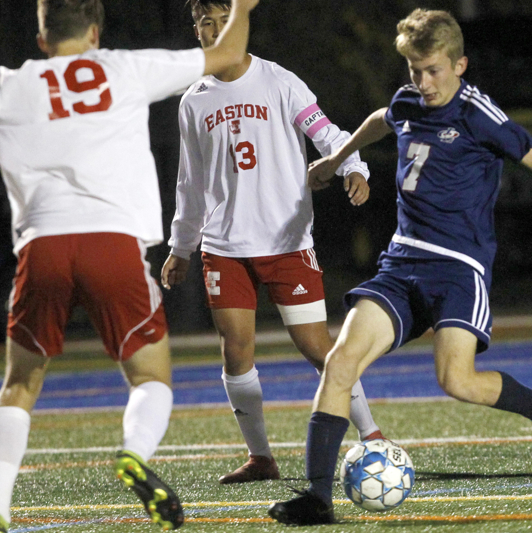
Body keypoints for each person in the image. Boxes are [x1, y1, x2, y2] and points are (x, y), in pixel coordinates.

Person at [268, 8, 532, 526]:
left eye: (433, 71)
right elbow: (383, 119)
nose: (423, 83)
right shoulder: (410, 100)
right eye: (415, 71)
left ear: (460, 65)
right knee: (340, 364)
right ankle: (317, 498)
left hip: (458, 269)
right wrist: (334, 160)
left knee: (458, 381)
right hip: (402, 262)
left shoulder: (478, 114)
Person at [0, 0, 259, 531]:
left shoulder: (3, 84)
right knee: (150, 379)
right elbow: (227, 52)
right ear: (94, 33)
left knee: (19, 384)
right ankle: (133, 453)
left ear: (41, 39)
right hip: (112, 244)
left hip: (42, 247)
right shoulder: (125, 68)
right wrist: (242, 6)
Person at [160, 0, 383, 485]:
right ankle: (261, 456)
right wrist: (181, 246)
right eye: (205, 23)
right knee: (235, 351)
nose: (215, 31)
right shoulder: (193, 99)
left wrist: (354, 167)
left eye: (224, 21)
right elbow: (190, 183)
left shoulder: (280, 81)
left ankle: (373, 437)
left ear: (240, 24)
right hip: (224, 246)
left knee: (316, 347)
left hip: (286, 242)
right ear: (196, 30)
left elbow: (326, 135)